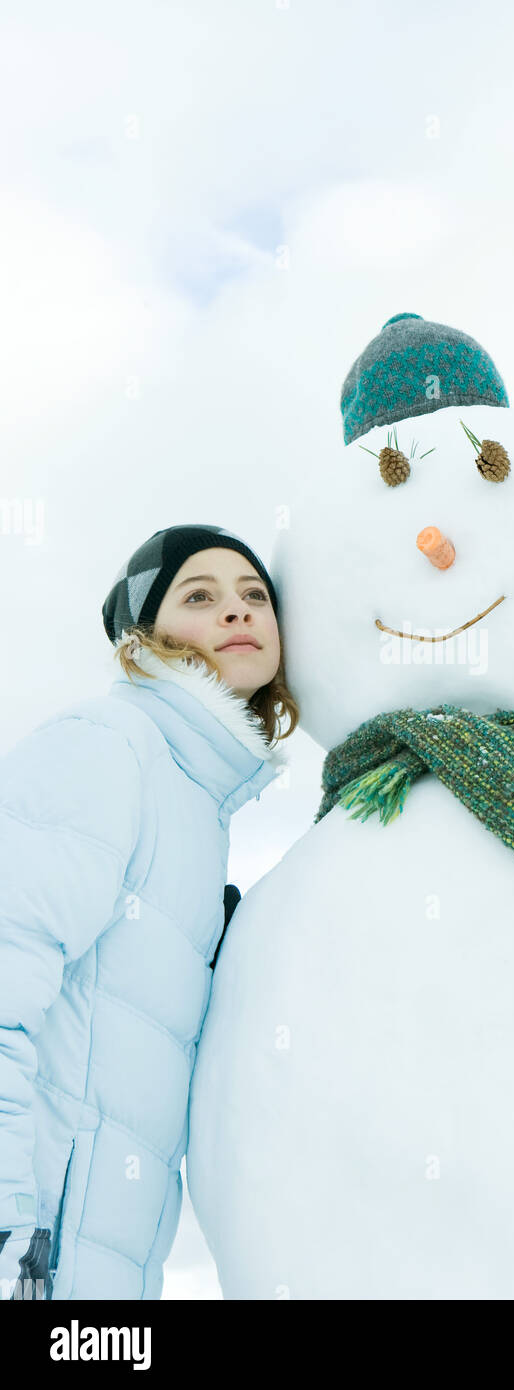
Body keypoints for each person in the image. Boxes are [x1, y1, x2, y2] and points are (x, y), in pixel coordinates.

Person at [0, 524, 298, 1299]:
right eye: (200, 595)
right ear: (145, 635)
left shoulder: (202, 812)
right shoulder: (107, 745)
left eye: (255, 596)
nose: (237, 611)